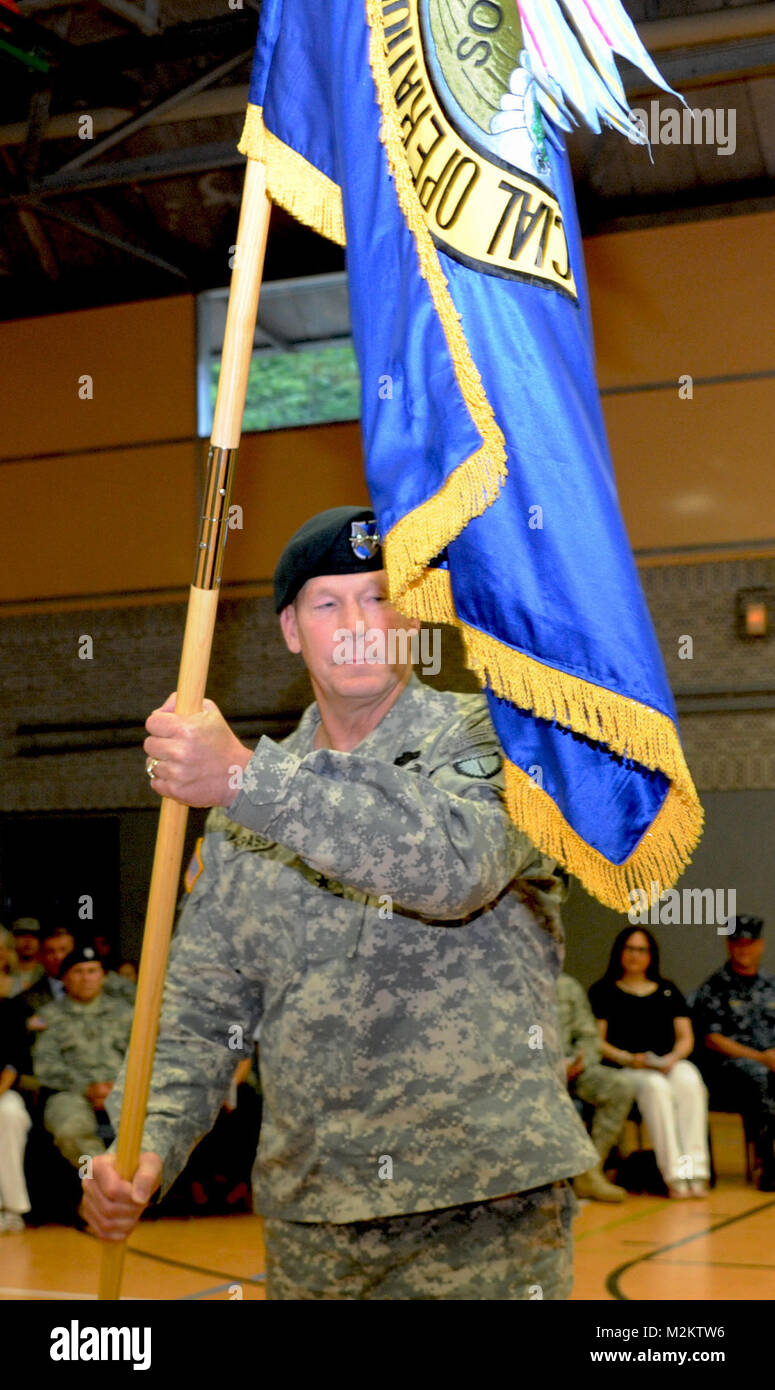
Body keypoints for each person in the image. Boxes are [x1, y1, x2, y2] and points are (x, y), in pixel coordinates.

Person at [82, 504, 597, 1301]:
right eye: (328, 603)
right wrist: (142, 1143)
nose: (356, 622)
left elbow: (455, 865)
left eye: (378, 597)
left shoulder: (497, 739)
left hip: (483, 1204)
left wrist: (252, 781)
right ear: (292, 630)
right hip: (314, 1219)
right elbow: (199, 1008)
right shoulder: (239, 815)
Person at [589, 927, 709, 1199]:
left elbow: (685, 1037)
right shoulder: (603, 991)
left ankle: (696, 1170)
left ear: (651, 955)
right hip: (628, 1068)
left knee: (689, 1080)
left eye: (642, 950)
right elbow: (597, 1041)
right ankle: (674, 1175)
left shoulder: (668, 990)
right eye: (630, 948)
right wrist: (629, 1058)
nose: (635, 955)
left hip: (667, 1061)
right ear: (620, 952)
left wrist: (673, 1058)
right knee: (656, 1088)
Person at [691, 915, 775, 1191]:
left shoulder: (770, 984)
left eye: (749, 944)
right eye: (737, 943)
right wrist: (761, 1057)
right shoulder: (715, 987)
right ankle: (768, 1164)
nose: (744, 949)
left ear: (760, 945)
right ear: (729, 946)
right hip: (728, 1072)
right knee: (759, 1075)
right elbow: (713, 1039)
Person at [33, 944, 133, 1169]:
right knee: (71, 1130)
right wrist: (87, 1088)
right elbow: (45, 1067)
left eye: (92, 971)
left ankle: (132, 1185)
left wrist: (116, 1087)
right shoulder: (48, 1017)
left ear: (103, 977)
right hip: (71, 1093)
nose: (86, 978)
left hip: (123, 1090)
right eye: (78, 972)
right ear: (65, 979)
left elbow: (143, 1060)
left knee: (151, 1123)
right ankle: (102, 1179)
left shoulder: (127, 1014)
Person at [556, 972, 633, 1202]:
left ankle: (590, 1171)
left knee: (619, 1086)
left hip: (572, 1070)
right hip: (532, 1074)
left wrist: (579, 1060)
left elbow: (589, 1037)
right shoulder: (508, 984)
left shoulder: (567, 986)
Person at [0, 989, 33, 1232]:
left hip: (2, 1092)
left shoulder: (10, 1010)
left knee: (9, 1113)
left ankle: (13, 1209)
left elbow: (13, 1064)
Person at [9, 918, 44, 996]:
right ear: (13, 938)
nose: (28, 941)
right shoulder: (5, 970)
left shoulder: (46, 973)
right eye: (22, 935)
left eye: (33, 936)